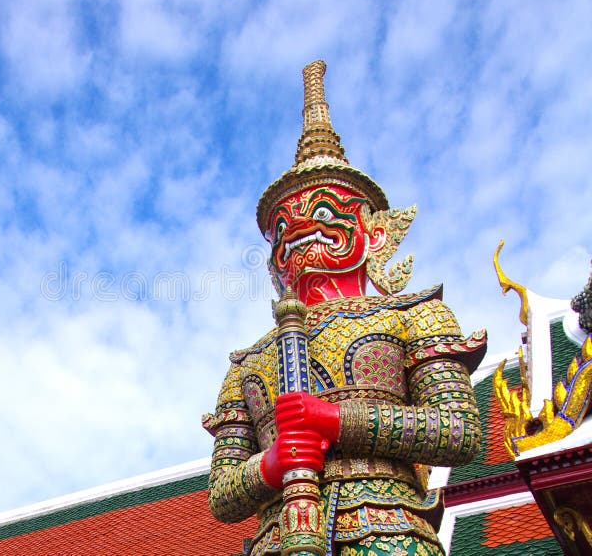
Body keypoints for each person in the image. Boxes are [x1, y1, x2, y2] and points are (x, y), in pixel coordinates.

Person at [203, 60, 487, 556]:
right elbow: (222, 495)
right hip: (280, 538)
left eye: (324, 212)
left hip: (390, 530)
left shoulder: (414, 317)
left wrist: (337, 420)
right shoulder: (247, 364)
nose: (300, 232)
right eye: (283, 228)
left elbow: (459, 431)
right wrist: (271, 463)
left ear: (372, 232)